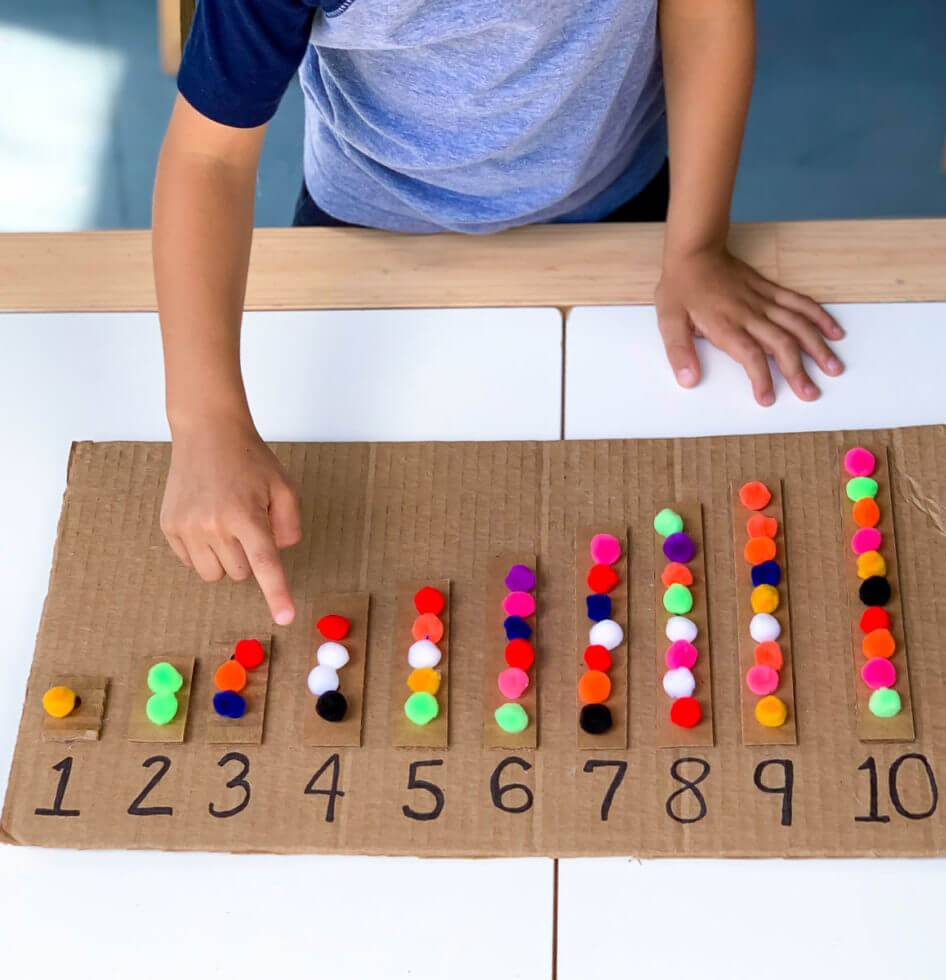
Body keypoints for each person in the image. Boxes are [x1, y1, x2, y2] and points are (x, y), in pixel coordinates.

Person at [153, 0, 844, 624]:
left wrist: (696, 246)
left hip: (616, 211)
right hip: (371, 229)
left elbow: (704, 13)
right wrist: (204, 421)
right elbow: (208, 156)